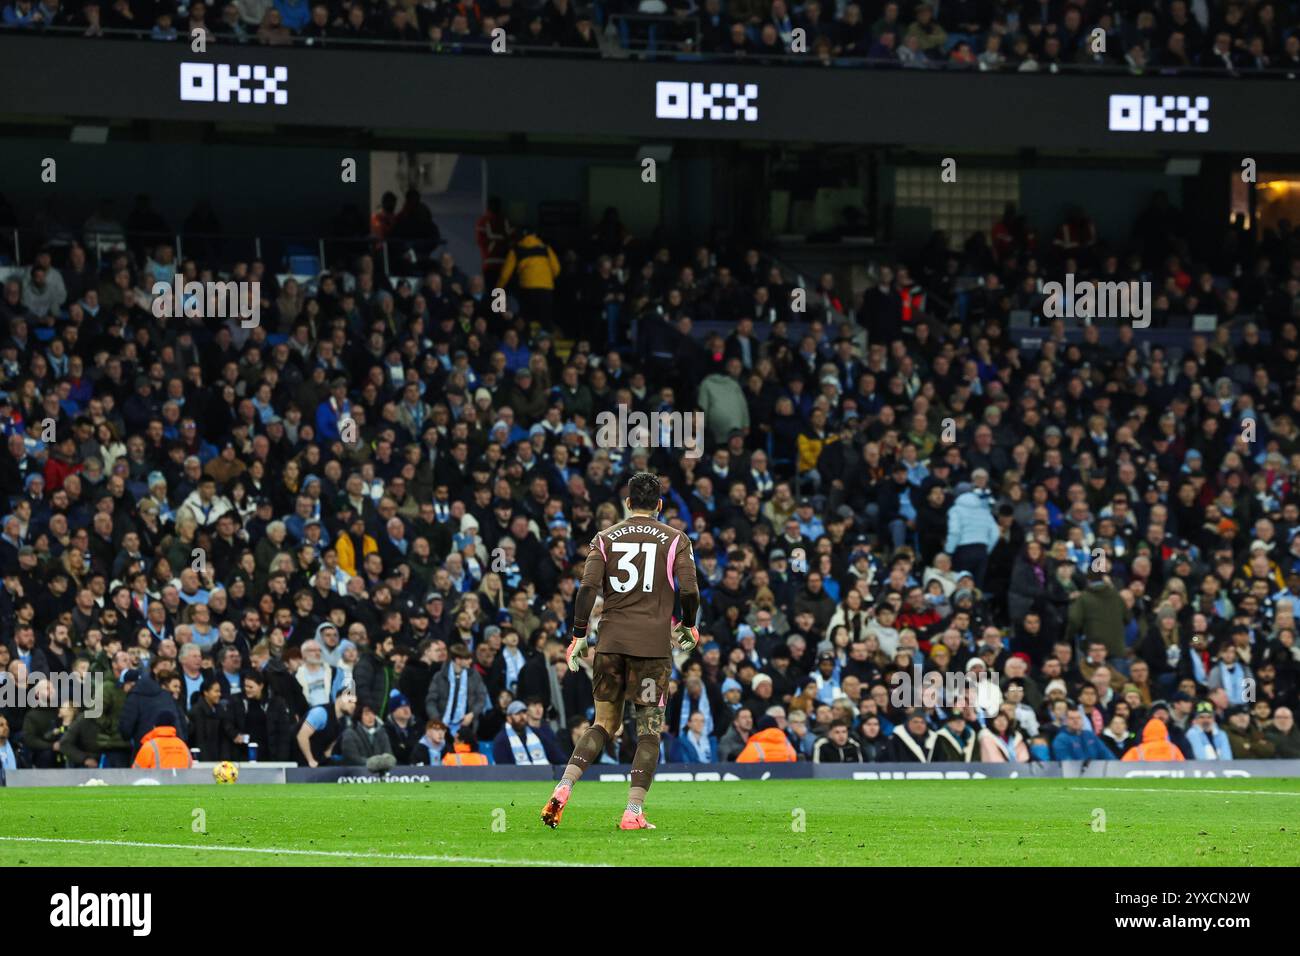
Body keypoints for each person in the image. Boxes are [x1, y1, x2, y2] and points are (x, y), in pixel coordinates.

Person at [544, 471, 700, 831]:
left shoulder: (605, 537)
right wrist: (687, 624)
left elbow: (587, 588)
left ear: (628, 503)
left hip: (610, 644)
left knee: (603, 724)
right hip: (652, 649)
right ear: (659, 505)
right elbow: (689, 591)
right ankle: (633, 811)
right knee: (648, 730)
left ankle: (564, 786)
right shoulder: (676, 539)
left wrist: (579, 634)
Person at [296, 688, 357, 768]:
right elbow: (301, 736)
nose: (353, 705)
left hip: (318, 761)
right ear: (339, 699)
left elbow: (330, 747)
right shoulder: (320, 713)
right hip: (299, 761)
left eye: (355, 703)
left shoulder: (343, 722)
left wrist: (323, 760)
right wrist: (311, 760)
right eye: (350, 701)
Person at [494, 700, 564, 765]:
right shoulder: (502, 739)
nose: (522, 717)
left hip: (543, 775)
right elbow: (504, 768)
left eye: (524, 713)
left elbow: (554, 754)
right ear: (509, 718)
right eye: (517, 714)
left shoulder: (536, 733)